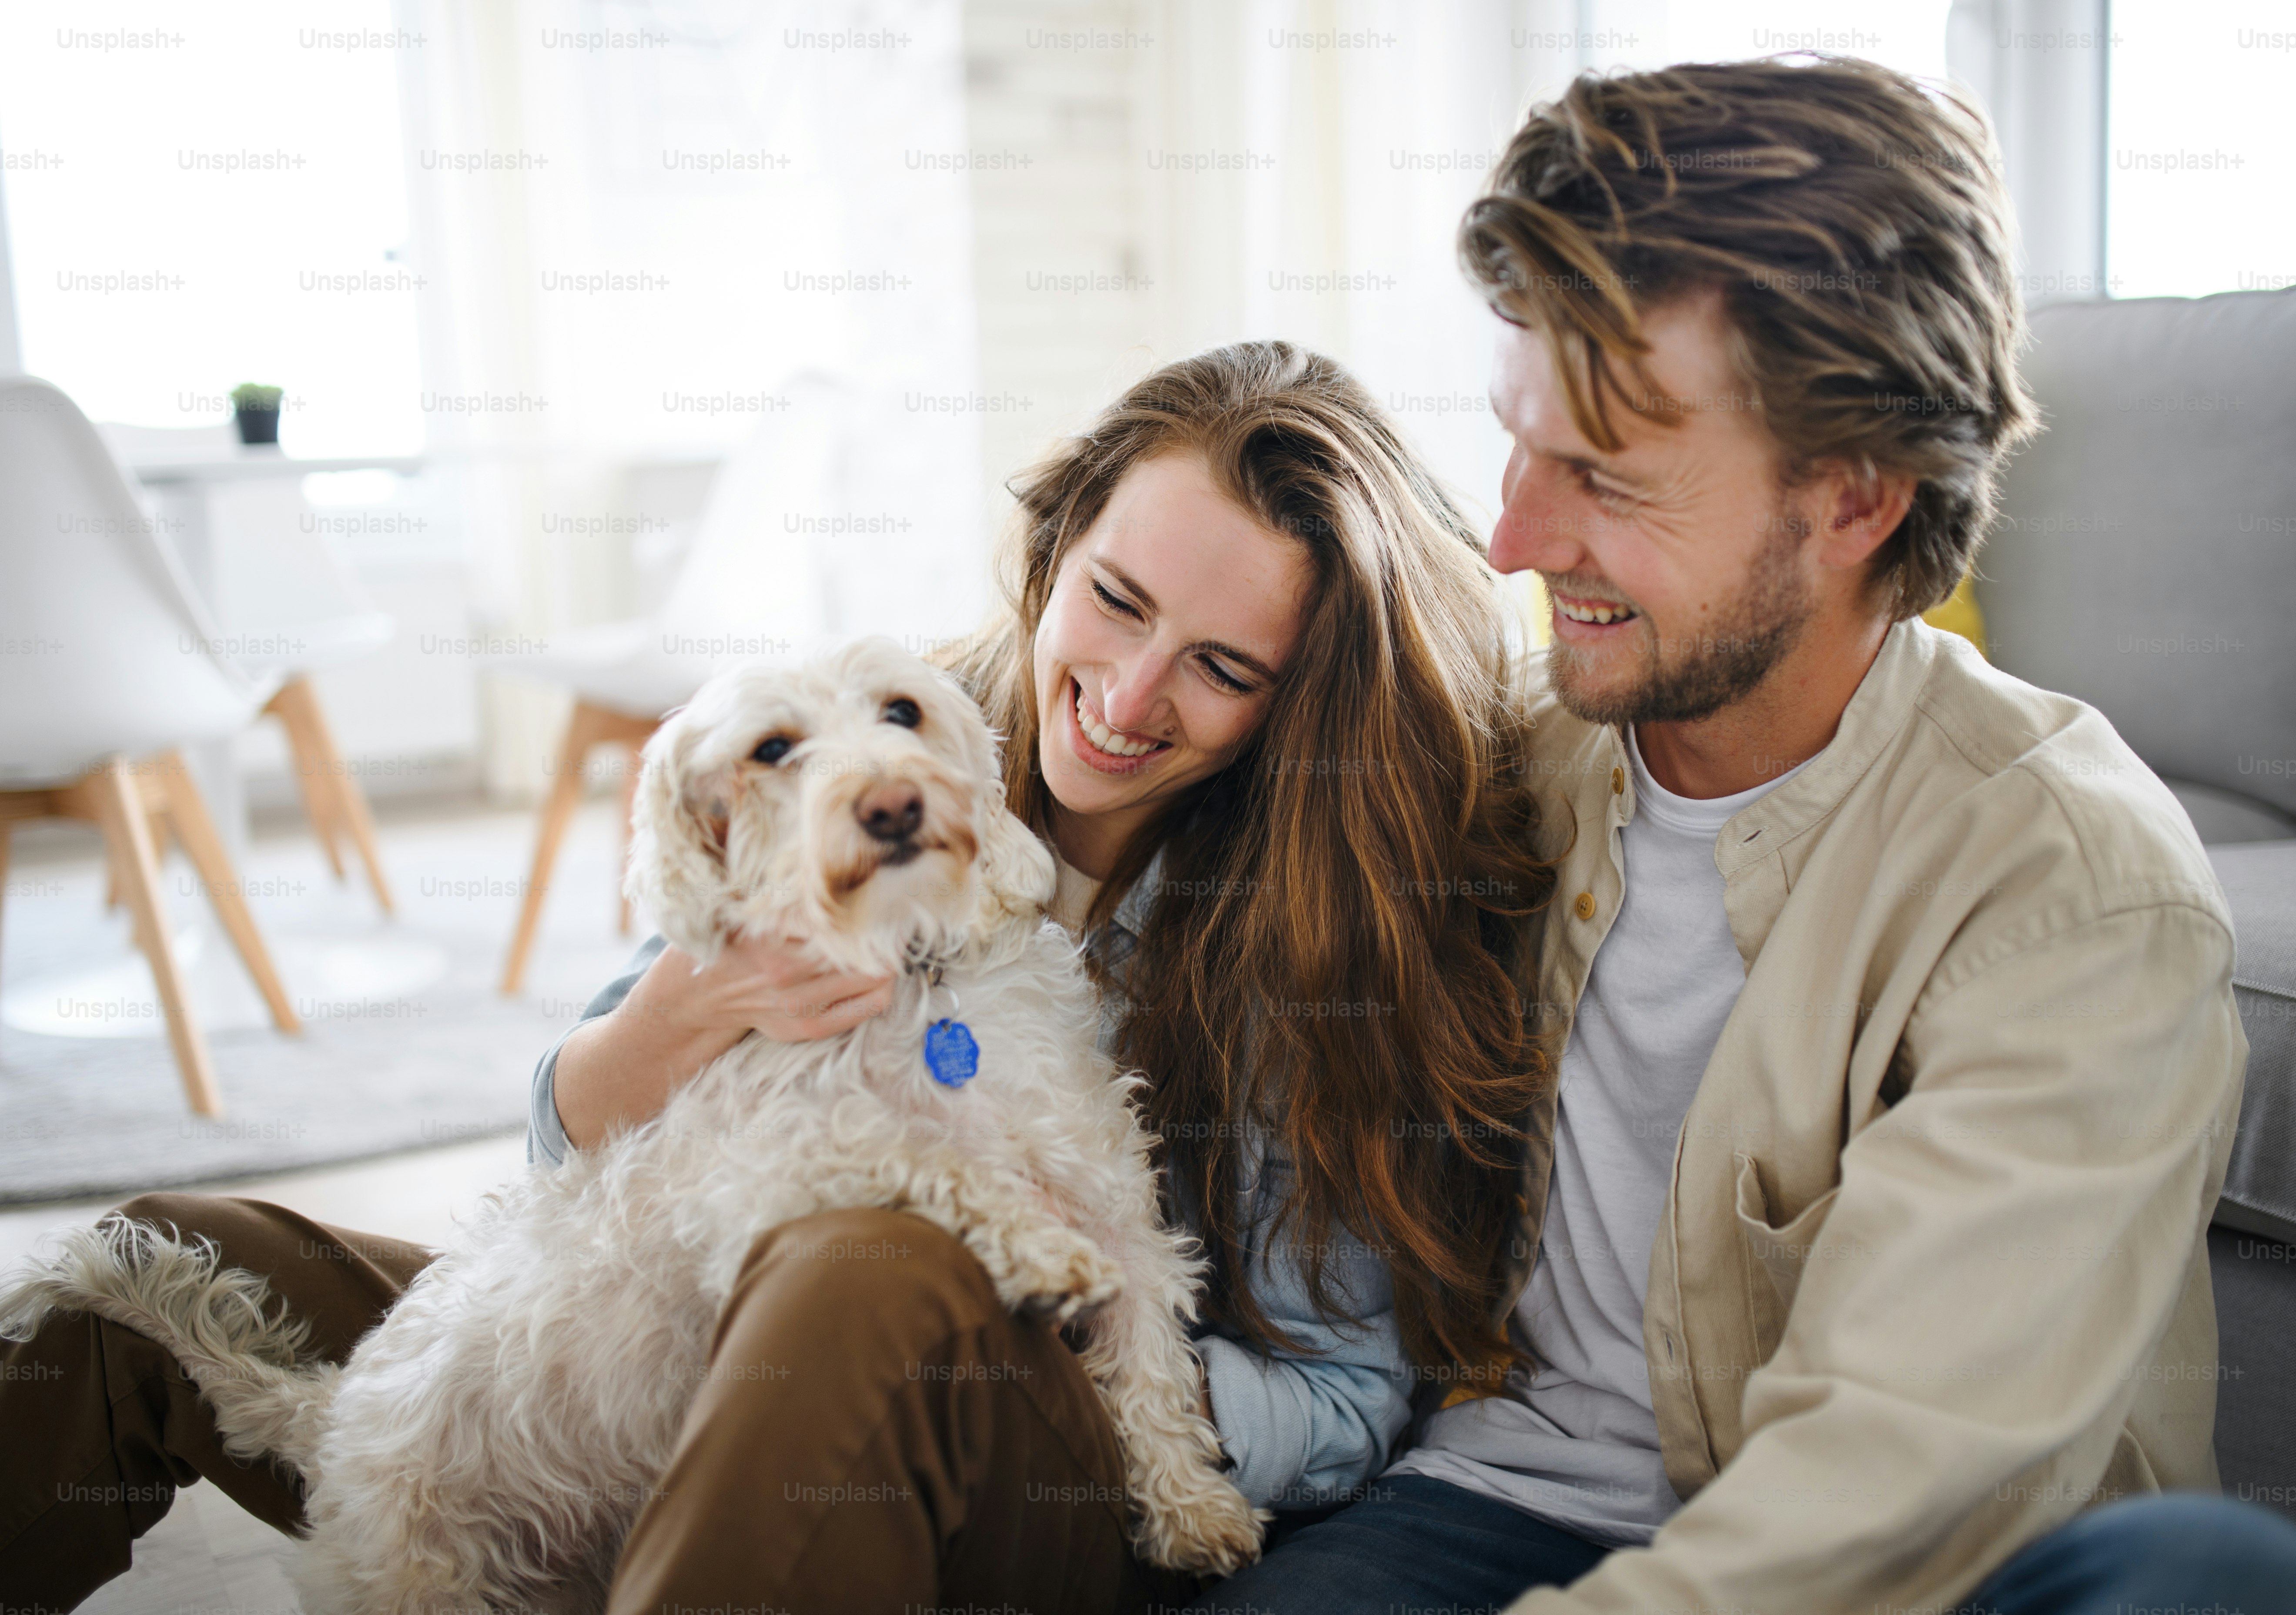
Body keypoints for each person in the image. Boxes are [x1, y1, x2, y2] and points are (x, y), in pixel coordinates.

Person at [0, 342, 1556, 1615]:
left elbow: (1350, 1408)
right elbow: (581, 1174)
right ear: (1058, 540)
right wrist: (673, 1021)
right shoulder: (884, 729)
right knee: (148, 1273)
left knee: (850, 1278)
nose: (1131, 696)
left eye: (1225, 669)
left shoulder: (1322, 936)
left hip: (1004, 1457)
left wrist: (1048, 1315)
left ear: (1301, 700)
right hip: (664, 1352)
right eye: (1118, 601)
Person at [1187, 58, 2296, 1615]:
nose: (1515, 541)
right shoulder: (1510, 759)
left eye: (1606, 477)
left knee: (2223, 1584)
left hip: (1910, 1578)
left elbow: (1895, 1489)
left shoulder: (2071, 895)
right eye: (1520, 444)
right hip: (1474, 1515)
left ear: (1856, 497)